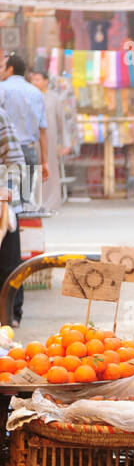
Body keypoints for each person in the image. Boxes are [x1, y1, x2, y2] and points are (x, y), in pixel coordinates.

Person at [0, 54, 48, 183]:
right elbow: (43, 130)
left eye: (3, 67)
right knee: (26, 199)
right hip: (30, 152)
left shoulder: (2, 89)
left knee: (8, 197)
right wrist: (44, 161)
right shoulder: (36, 93)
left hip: (7, 155)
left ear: (10, 69)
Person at [0, 105, 26, 326]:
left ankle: (12, 313)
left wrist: (6, 189)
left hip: (3, 202)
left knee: (8, 262)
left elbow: (15, 159)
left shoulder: (1, 116)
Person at [29, 69, 64, 212]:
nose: (35, 82)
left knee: (51, 169)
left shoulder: (54, 98)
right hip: (34, 138)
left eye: (38, 79)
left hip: (51, 137)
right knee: (35, 168)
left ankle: (52, 202)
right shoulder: (29, 96)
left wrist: (64, 142)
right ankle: (36, 202)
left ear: (45, 81)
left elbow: (61, 120)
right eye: (33, 80)